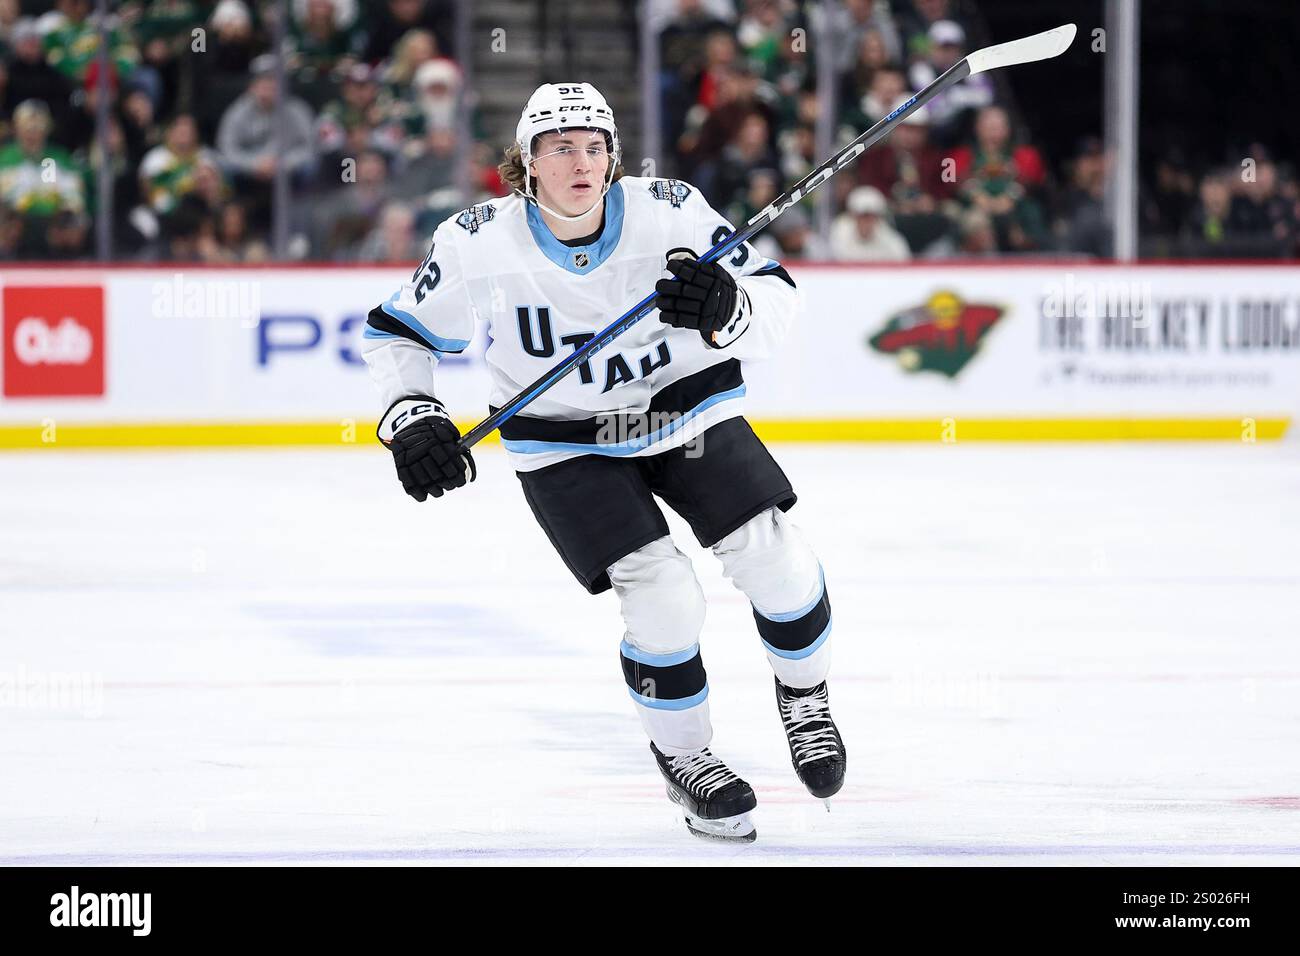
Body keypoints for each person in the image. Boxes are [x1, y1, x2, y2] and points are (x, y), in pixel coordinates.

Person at [359, 83, 845, 843]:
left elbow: (774, 294)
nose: (580, 161)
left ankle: (806, 698)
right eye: (560, 147)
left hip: (684, 409)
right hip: (562, 440)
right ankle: (688, 760)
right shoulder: (474, 242)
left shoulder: (671, 209)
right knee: (663, 595)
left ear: (614, 156)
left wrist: (729, 310)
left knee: (773, 557)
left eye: (594, 146)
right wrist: (413, 416)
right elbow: (396, 333)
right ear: (524, 164)